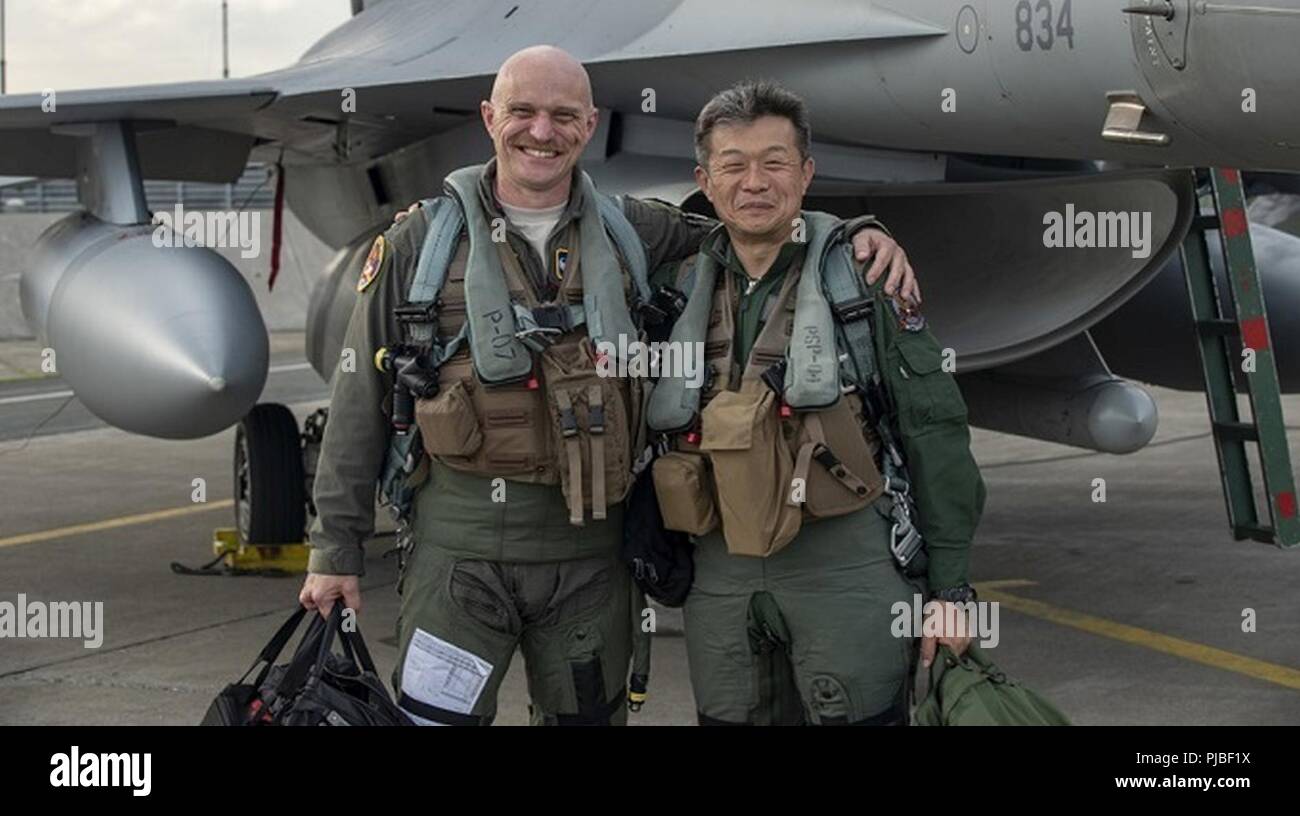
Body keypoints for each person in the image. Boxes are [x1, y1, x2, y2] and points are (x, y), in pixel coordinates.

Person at [299, 46, 918, 726]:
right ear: (489, 118)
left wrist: (855, 234)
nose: (542, 132)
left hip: (591, 563)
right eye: (523, 113)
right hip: (460, 561)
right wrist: (336, 551)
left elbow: (752, 231)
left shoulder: (637, 231)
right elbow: (358, 399)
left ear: (589, 125)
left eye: (563, 115)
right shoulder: (421, 244)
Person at [645, 80, 985, 725]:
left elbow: (935, 431)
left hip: (846, 568)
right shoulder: (677, 289)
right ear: (704, 180)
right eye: (733, 166)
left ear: (805, 175)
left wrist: (952, 588)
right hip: (719, 572)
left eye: (774, 163)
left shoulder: (863, 281)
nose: (755, 183)